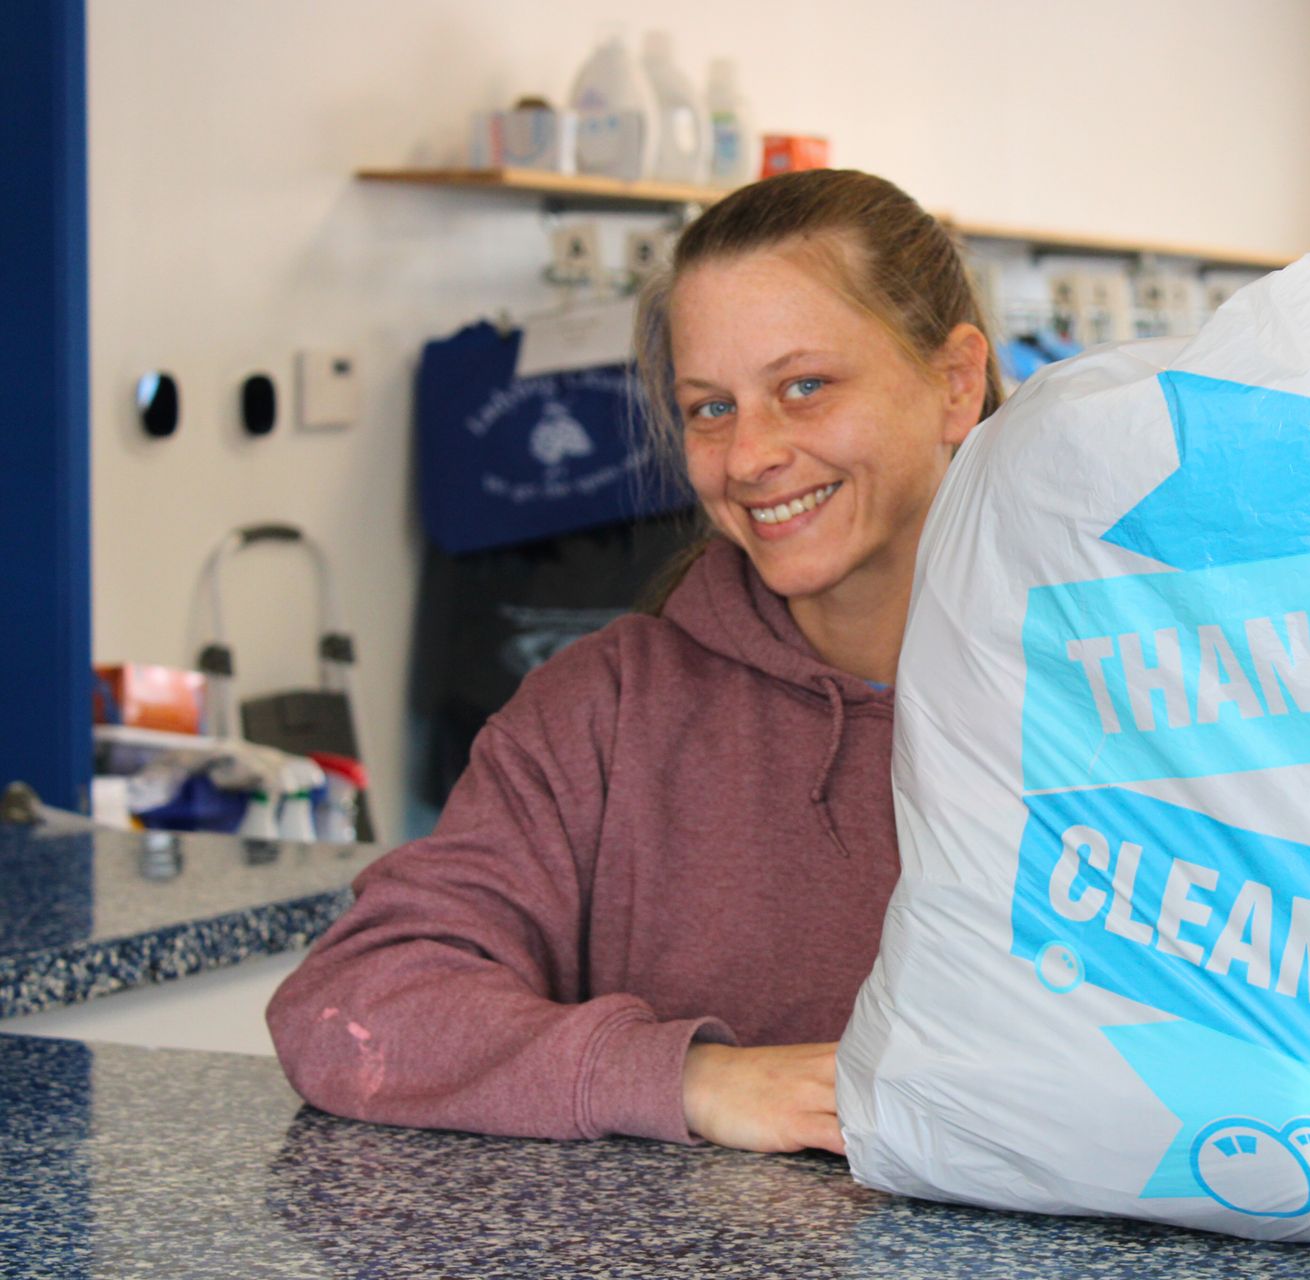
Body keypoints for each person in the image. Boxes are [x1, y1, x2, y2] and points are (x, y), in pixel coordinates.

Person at [267, 169, 1001, 1156]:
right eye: (710, 407)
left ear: (955, 382)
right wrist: (689, 1076)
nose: (748, 457)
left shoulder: (1125, 685)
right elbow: (351, 1006)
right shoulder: (605, 709)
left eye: (804, 387)